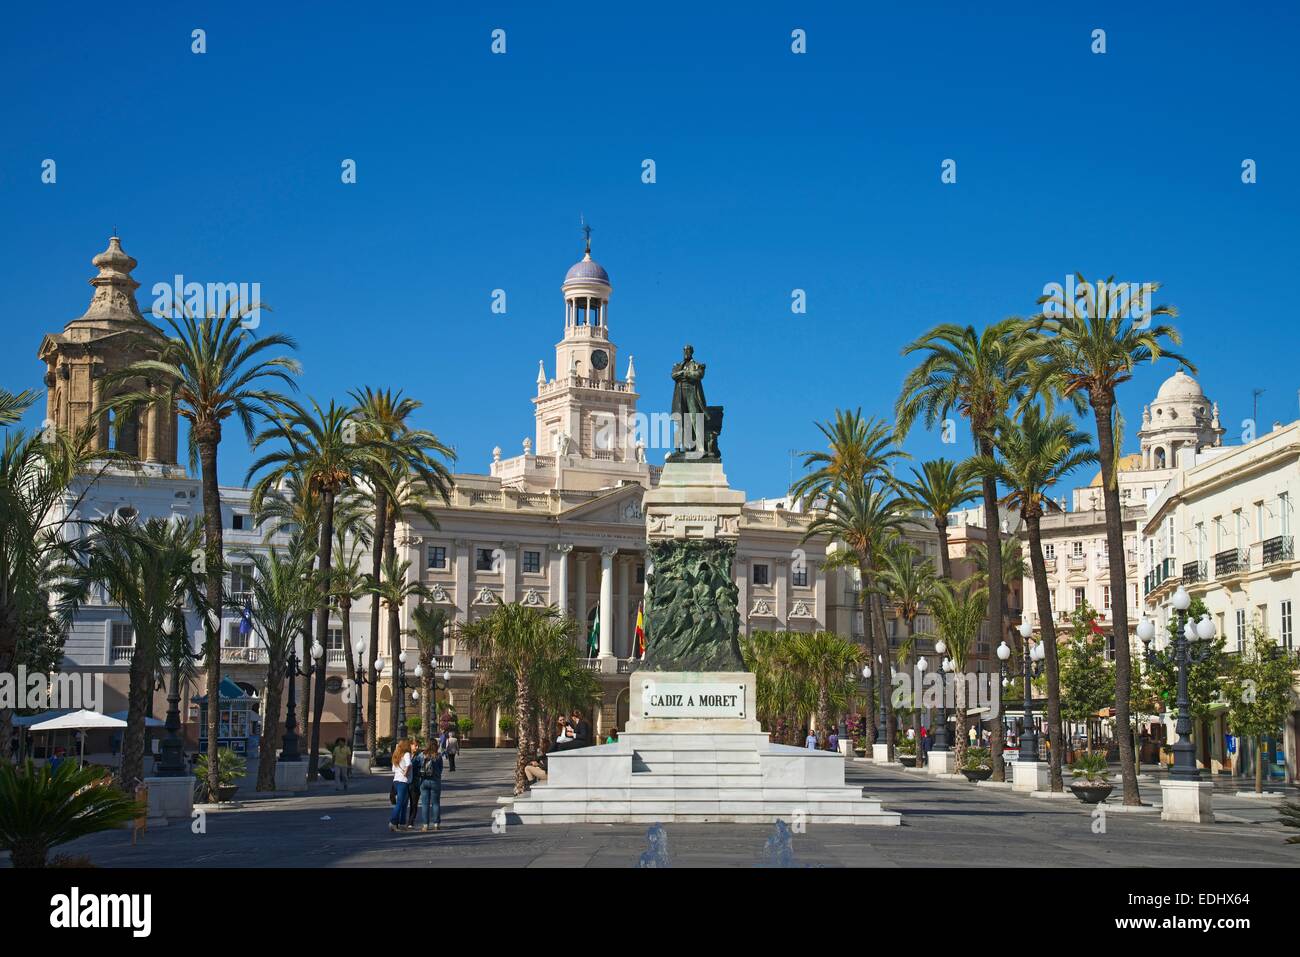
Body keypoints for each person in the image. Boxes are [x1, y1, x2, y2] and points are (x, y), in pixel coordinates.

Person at [417, 740, 444, 831]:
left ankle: (425, 825)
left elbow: (416, 765)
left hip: (424, 781)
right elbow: (440, 768)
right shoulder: (438, 756)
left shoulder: (421, 755)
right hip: (435, 781)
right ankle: (436, 824)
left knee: (425, 804)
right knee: (435, 803)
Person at [389, 738, 412, 832]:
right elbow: (409, 764)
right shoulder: (407, 754)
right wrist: (406, 773)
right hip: (403, 781)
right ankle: (393, 822)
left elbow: (393, 770)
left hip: (396, 781)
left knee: (404, 803)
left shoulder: (396, 755)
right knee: (400, 803)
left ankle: (402, 823)